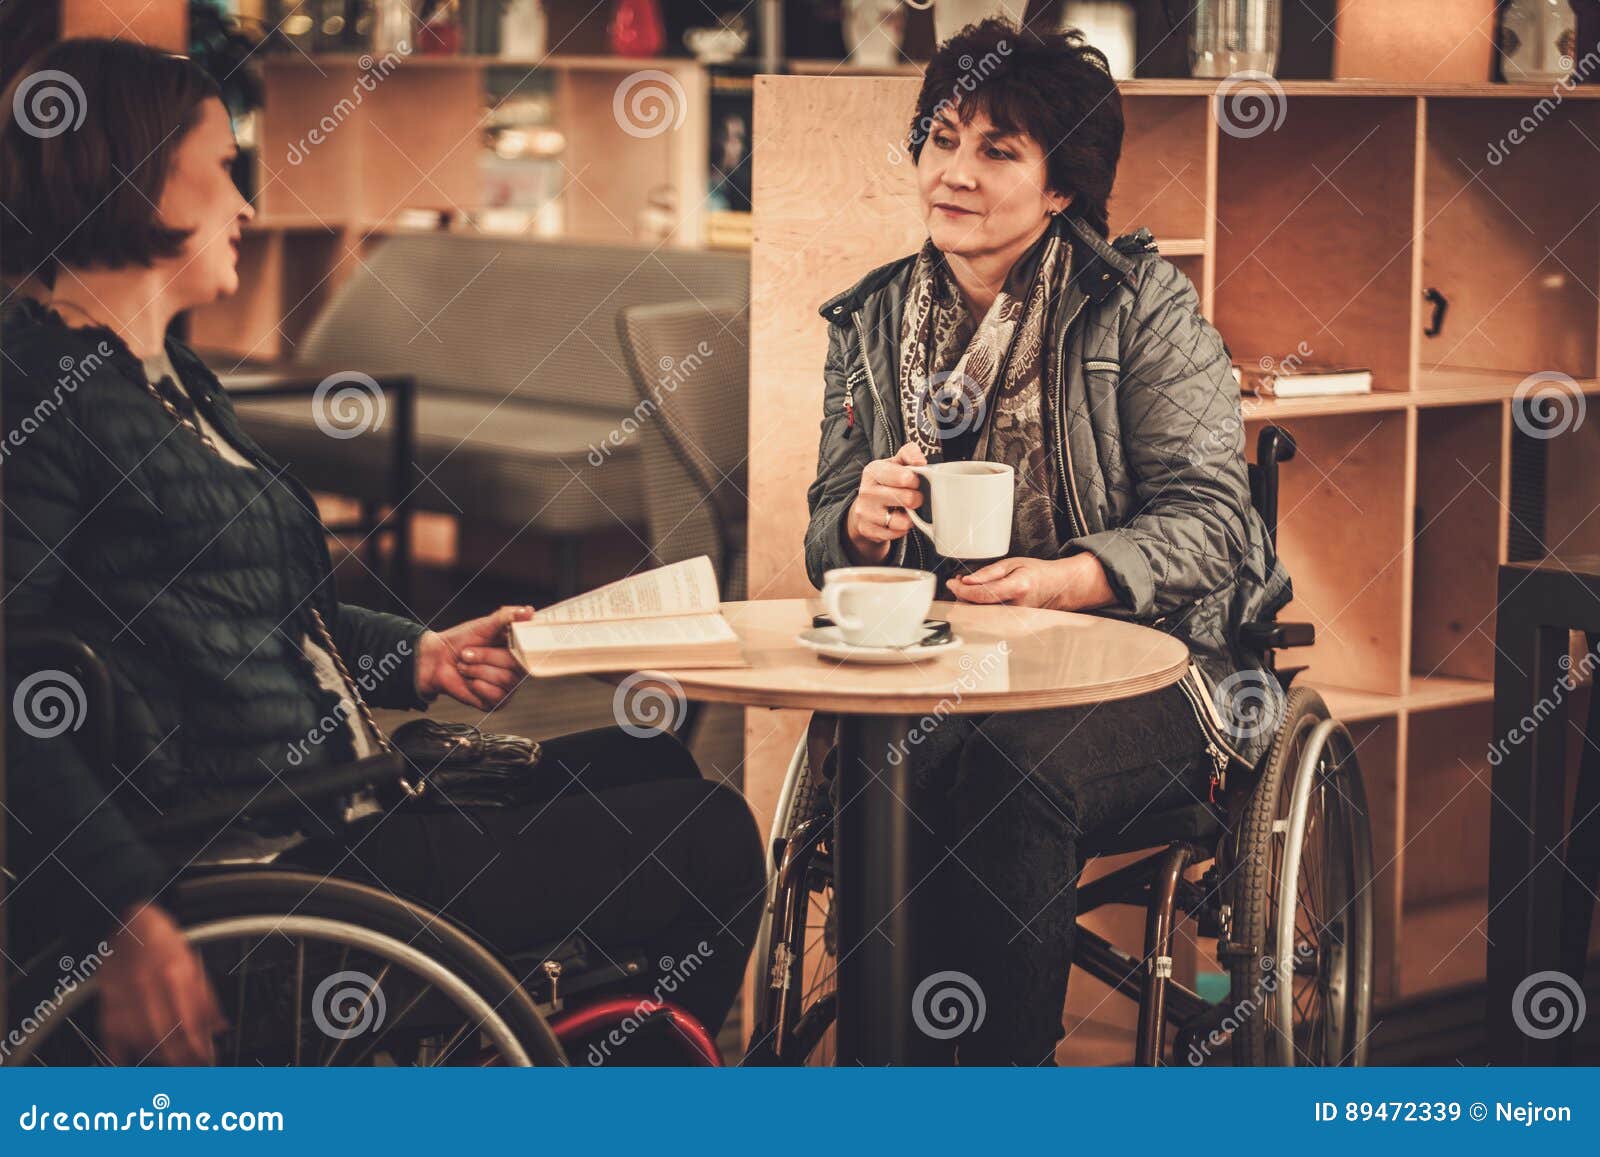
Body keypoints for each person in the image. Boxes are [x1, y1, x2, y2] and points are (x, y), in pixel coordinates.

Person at [1, 38, 763, 1065]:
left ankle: (579, 1061)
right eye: (224, 165)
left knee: (647, 751)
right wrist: (122, 914)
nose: (246, 201)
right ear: (139, 177)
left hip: (341, 797)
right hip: (289, 847)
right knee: (709, 837)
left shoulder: (164, 374)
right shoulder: (44, 400)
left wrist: (420, 654)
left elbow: (260, 617)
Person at [804, 20, 1293, 1064]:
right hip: (954, 665)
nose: (955, 173)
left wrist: (1072, 577)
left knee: (1008, 767)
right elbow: (825, 536)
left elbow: (1214, 522)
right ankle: (882, 1077)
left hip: (1162, 673)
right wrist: (856, 517)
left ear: (1060, 187)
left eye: (997, 150)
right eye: (941, 139)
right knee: (877, 751)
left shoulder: (1139, 307)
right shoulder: (875, 317)